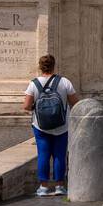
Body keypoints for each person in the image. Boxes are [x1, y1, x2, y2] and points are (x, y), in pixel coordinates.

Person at [21, 54, 78, 197]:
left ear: (40, 67)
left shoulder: (34, 83)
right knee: (60, 155)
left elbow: (26, 106)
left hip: (40, 125)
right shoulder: (64, 82)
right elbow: (75, 103)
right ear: (54, 65)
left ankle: (44, 187)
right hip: (62, 125)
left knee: (43, 155)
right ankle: (59, 186)